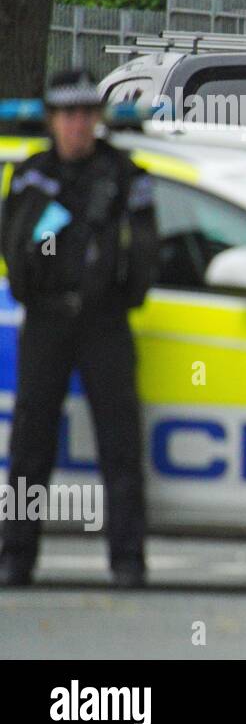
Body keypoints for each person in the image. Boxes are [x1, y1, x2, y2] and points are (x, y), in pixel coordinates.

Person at [0, 69, 159, 588]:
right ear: (52, 120)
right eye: (68, 115)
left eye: (87, 114)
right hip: (46, 318)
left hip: (104, 322)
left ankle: (128, 562)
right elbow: (14, 241)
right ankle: (16, 557)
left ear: (98, 119)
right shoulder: (32, 174)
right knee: (30, 443)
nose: (77, 125)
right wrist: (33, 294)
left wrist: (123, 299)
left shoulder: (124, 175)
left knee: (120, 444)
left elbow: (146, 248)